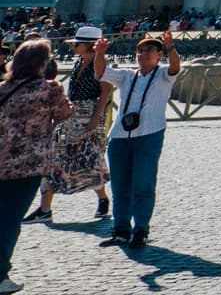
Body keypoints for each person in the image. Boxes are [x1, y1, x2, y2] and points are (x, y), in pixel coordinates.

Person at [0, 40, 75, 290]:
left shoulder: (2, 88)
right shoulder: (50, 88)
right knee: (9, 220)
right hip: (27, 165)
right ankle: (0, 276)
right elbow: (64, 113)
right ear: (42, 63)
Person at [26, 27, 111, 226]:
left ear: (88, 45)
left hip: (89, 114)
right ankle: (45, 208)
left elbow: (105, 93)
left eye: (77, 44)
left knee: (90, 159)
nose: (74, 47)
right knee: (54, 157)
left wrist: (95, 119)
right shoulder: (79, 61)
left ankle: (102, 198)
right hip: (71, 114)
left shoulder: (100, 63)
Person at [103, 30, 178, 252]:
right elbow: (102, 72)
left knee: (143, 184)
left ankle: (141, 230)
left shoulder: (164, 75)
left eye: (149, 50)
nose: (143, 54)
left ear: (159, 54)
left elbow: (175, 66)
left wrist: (171, 47)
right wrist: (99, 53)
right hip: (120, 136)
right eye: (140, 50)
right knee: (120, 185)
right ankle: (121, 230)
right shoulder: (127, 76)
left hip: (149, 135)